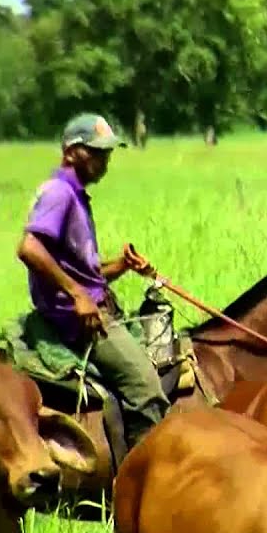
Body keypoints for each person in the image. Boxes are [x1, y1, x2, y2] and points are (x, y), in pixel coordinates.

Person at [16, 112, 169, 451]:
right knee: (146, 389)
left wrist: (122, 266)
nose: (104, 160)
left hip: (91, 305)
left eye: (107, 152)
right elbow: (29, 248)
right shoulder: (59, 193)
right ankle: (143, 473)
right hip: (80, 320)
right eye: (97, 152)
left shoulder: (76, 196)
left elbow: (83, 273)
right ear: (71, 152)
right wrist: (78, 296)